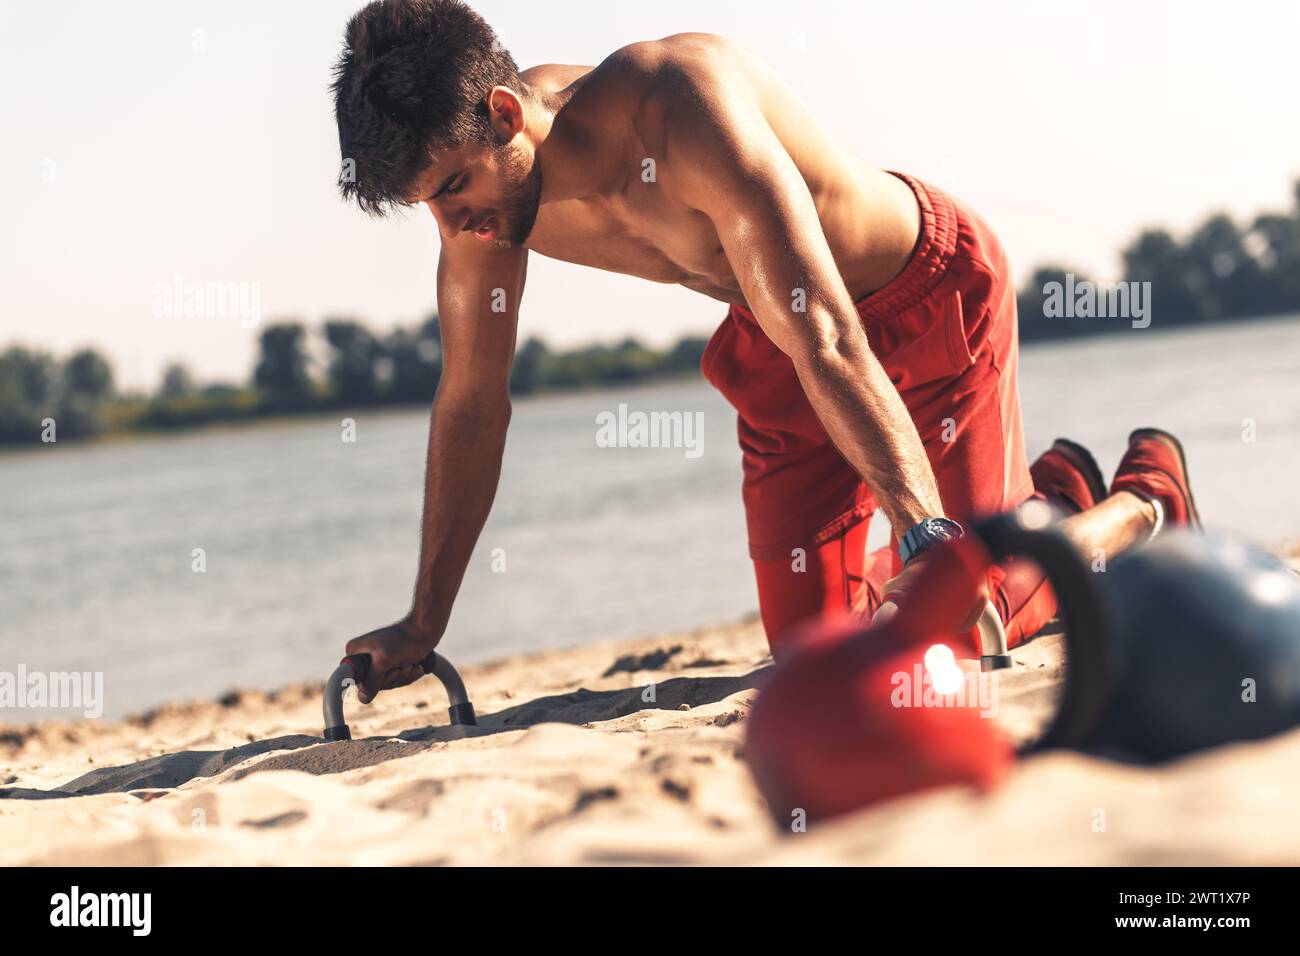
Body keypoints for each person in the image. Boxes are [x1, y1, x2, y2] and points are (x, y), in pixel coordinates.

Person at [330, 0, 1199, 702]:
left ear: (506, 114)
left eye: (454, 187)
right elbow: (472, 404)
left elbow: (824, 327)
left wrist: (928, 535)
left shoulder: (678, 105)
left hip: (918, 300)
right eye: (428, 206)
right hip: (777, 349)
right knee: (815, 657)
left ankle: (1143, 499)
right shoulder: (485, 211)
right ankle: (1042, 497)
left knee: (957, 620)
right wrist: (423, 621)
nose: (455, 225)